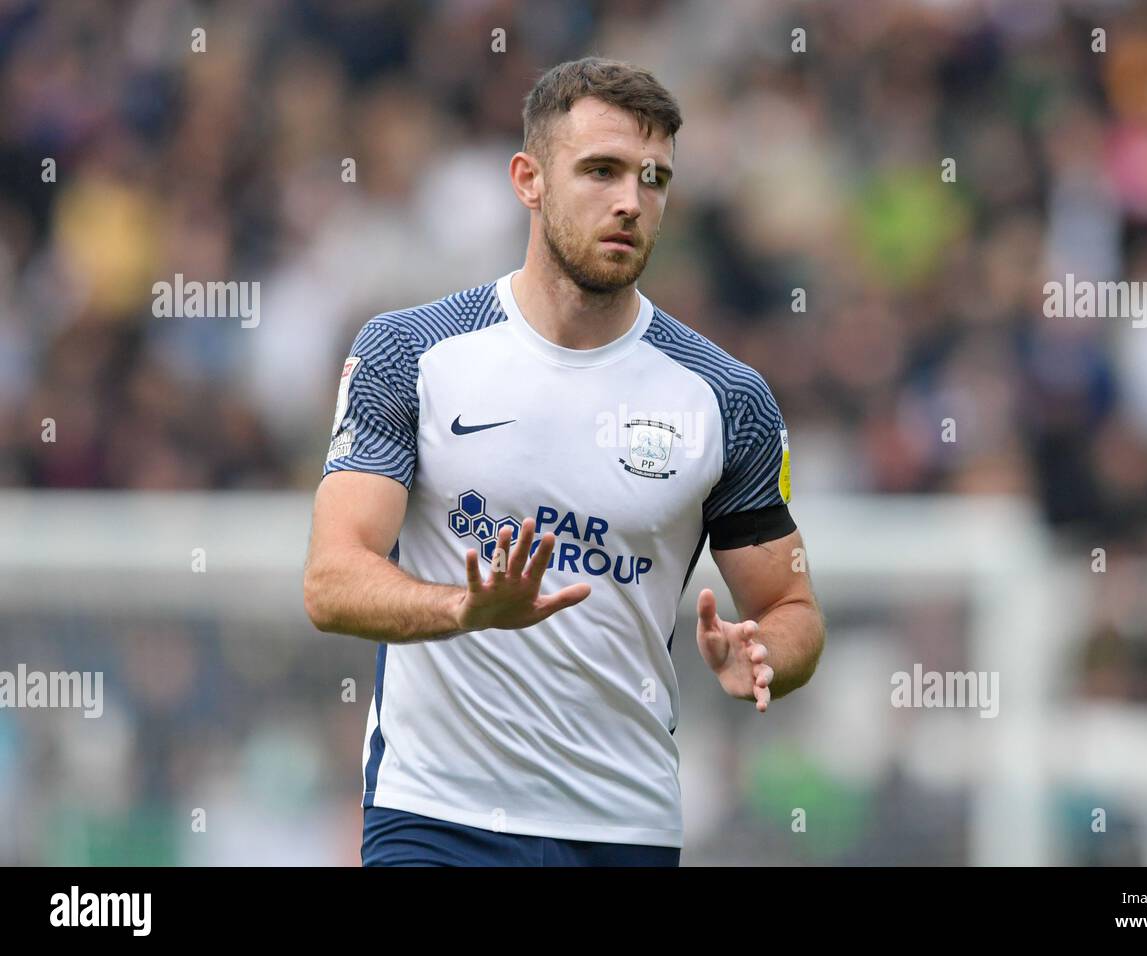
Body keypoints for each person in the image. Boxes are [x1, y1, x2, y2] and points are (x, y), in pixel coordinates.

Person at [303, 57, 825, 867]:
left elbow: (791, 607)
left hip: (622, 827)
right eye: (602, 170)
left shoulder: (726, 398)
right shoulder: (410, 352)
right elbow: (332, 581)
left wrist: (765, 655)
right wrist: (462, 610)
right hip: (435, 814)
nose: (630, 201)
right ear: (529, 179)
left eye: (654, 179)